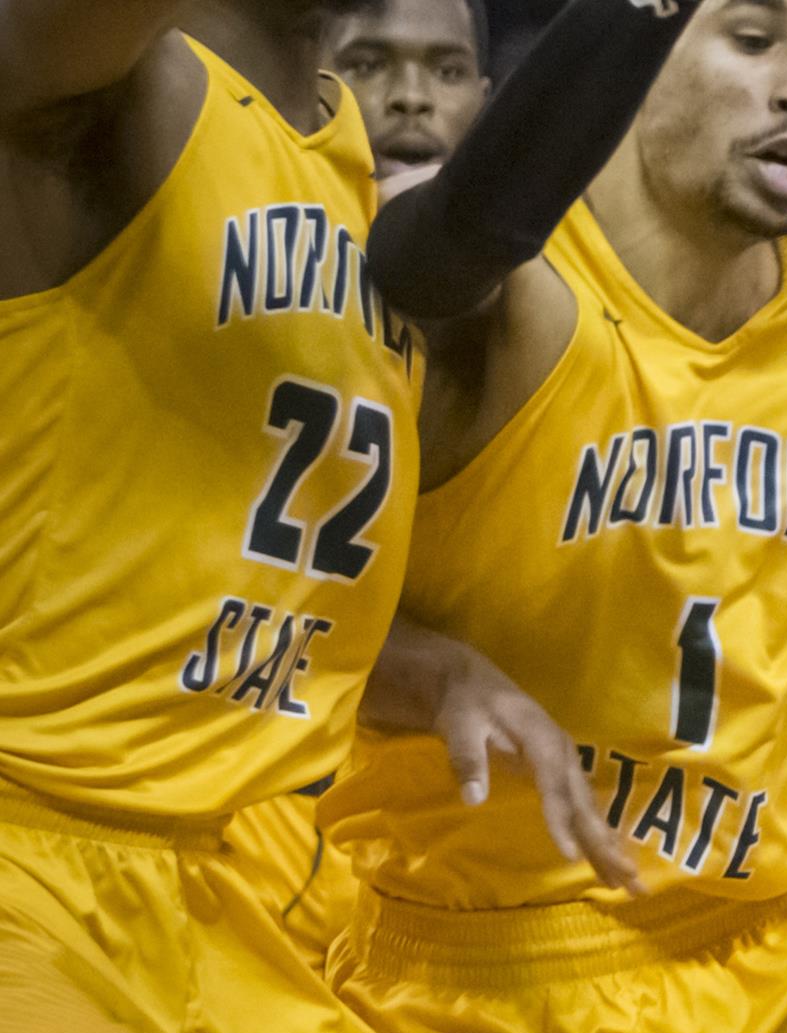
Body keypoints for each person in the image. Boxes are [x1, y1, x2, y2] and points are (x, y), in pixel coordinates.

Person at [313, 0, 787, 1033]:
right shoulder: (497, 295)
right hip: (466, 986)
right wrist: (426, 670)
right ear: (621, 60)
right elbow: (250, 610)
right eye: (753, 39)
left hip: (777, 968)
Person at [0, 0, 417, 1033]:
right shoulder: (103, 93)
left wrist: (435, 663)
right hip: (26, 846)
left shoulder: (368, 188)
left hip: (242, 884)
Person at [214, 0, 497, 979]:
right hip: (201, 790)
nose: (411, 96)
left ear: (492, 107)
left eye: (446, 70)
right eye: (371, 61)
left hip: (405, 843)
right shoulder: (218, 213)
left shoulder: (535, 308)